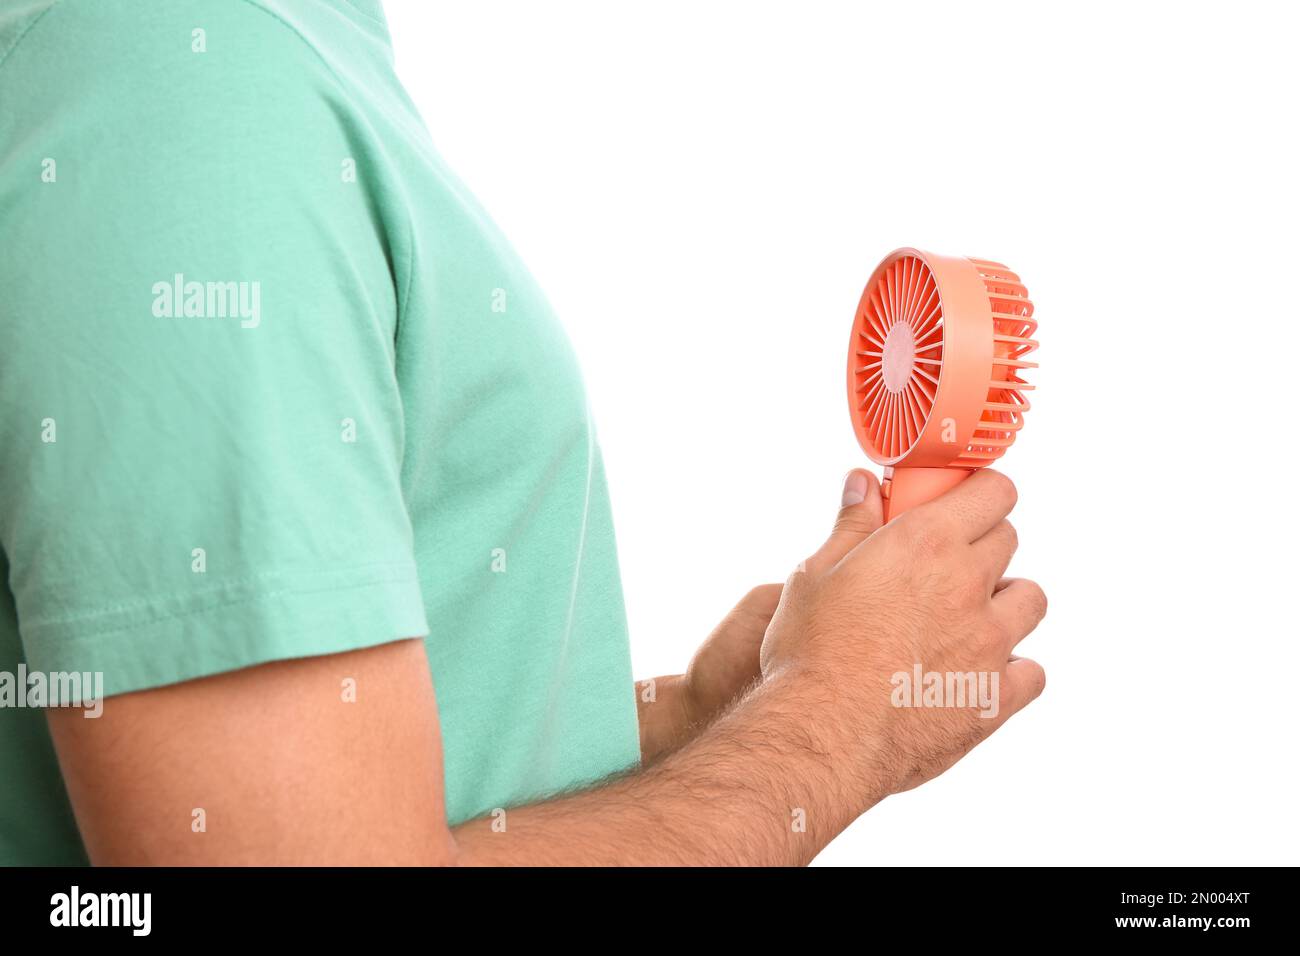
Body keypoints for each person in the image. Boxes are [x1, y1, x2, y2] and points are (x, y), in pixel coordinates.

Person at [0, 0, 1046, 866]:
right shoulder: (188, 90)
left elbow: (377, 776)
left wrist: (703, 716)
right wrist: (833, 721)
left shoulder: (279, 55)